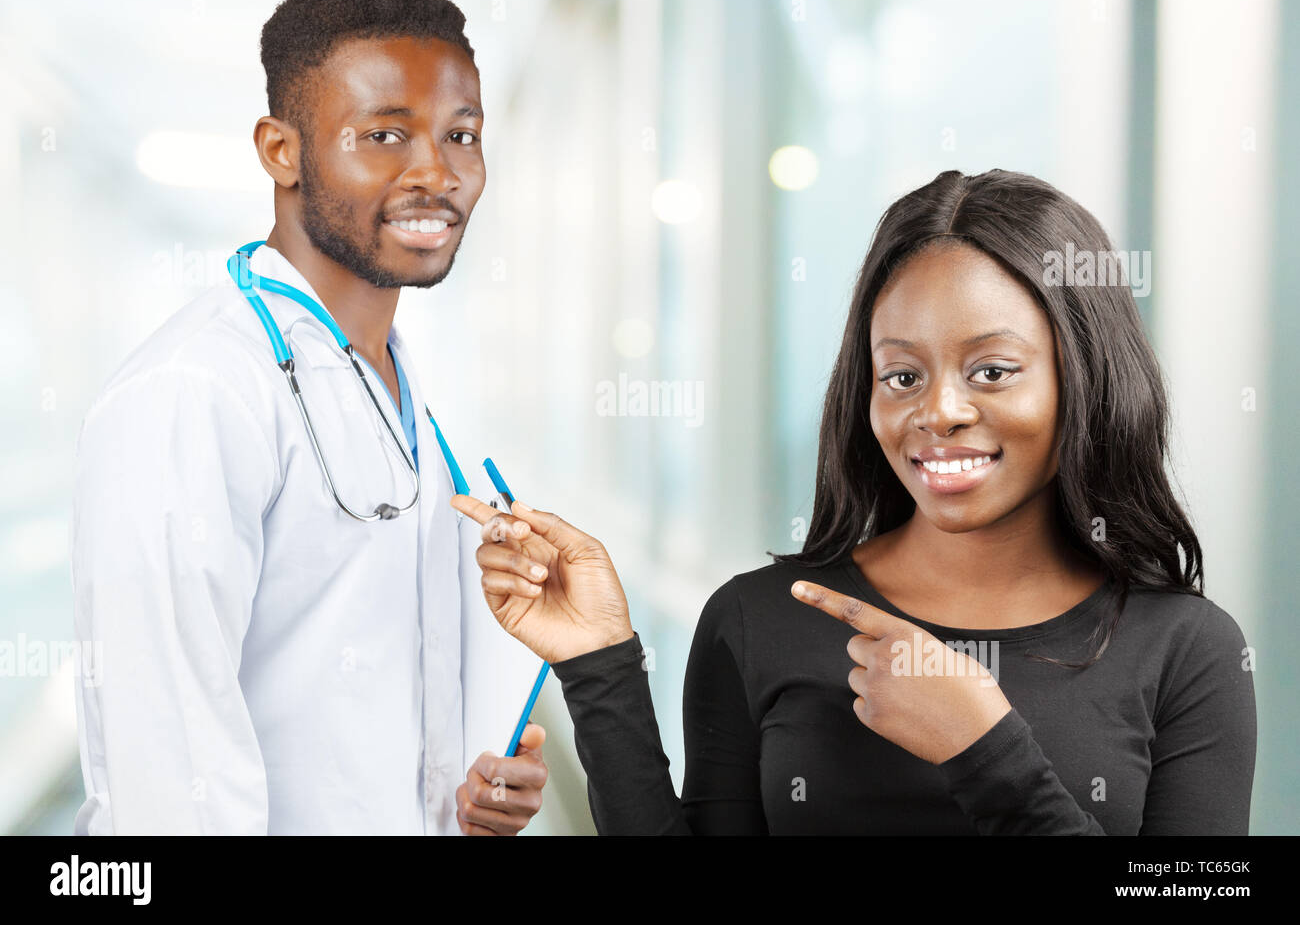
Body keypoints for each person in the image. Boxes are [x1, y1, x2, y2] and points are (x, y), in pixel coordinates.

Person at [453, 169, 1257, 835]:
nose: (937, 412)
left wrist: (985, 749)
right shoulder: (758, 619)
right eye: (902, 376)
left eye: (992, 370)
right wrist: (599, 663)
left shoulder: (1188, 650)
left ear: (1084, 376)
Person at [71, 0, 547, 835]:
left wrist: (463, 792)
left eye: (461, 134)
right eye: (384, 134)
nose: (436, 172)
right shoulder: (196, 392)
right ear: (281, 150)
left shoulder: (401, 395)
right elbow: (171, 786)